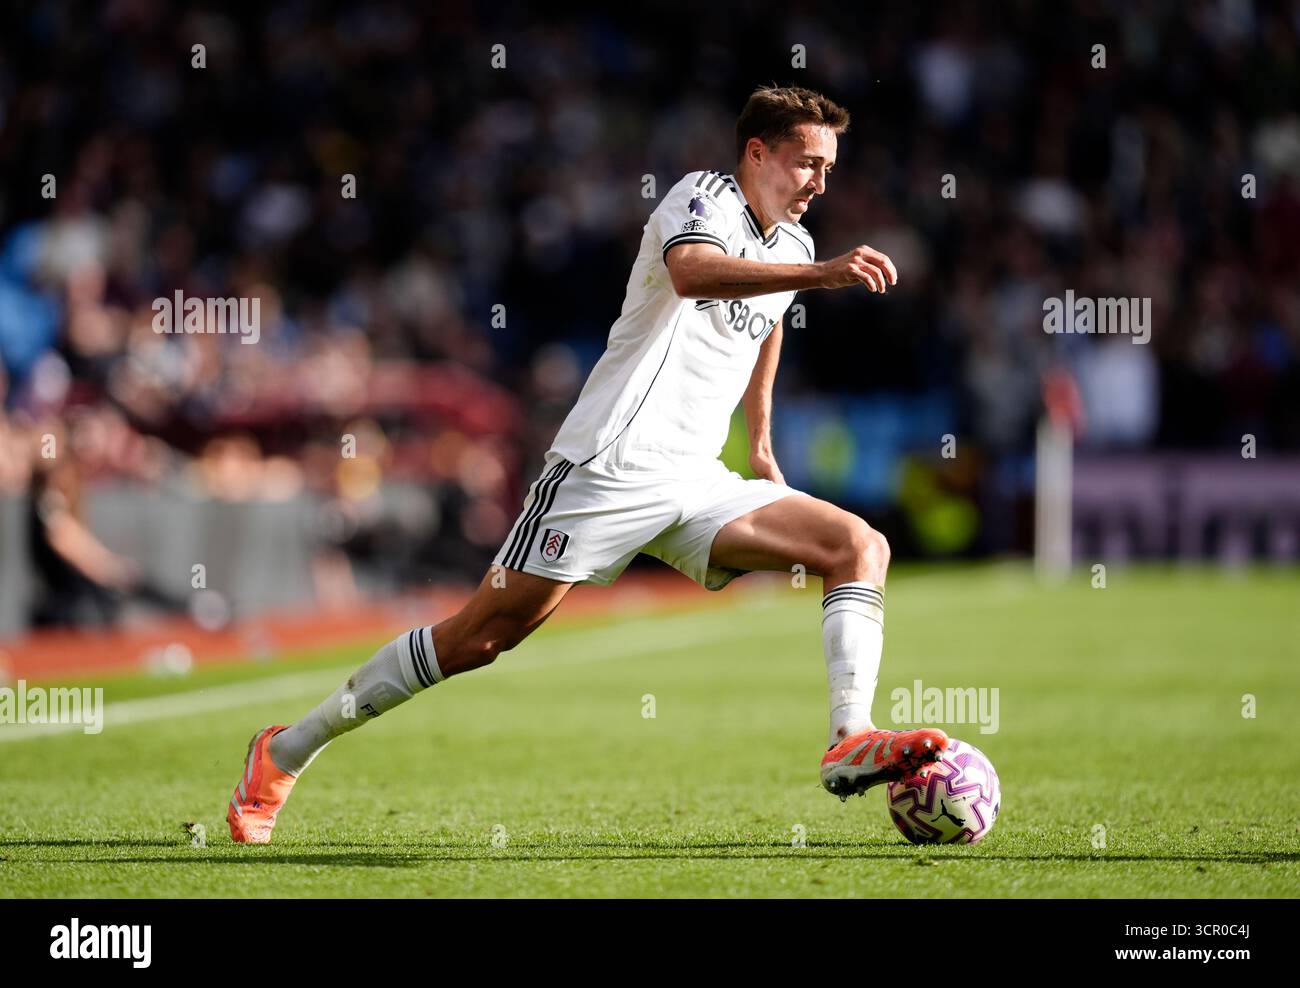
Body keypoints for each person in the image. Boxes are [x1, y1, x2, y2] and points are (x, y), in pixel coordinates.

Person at [227, 84, 947, 844]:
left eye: (828, 169)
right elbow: (696, 274)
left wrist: (761, 439)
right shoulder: (699, 200)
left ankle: (849, 735)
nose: (818, 182)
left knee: (860, 546)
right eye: (806, 163)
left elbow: (768, 327)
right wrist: (826, 273)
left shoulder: (795, 247)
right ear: (756, 153)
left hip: (698, 481)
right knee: (480, 638)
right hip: (606, 466)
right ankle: (283, 751)